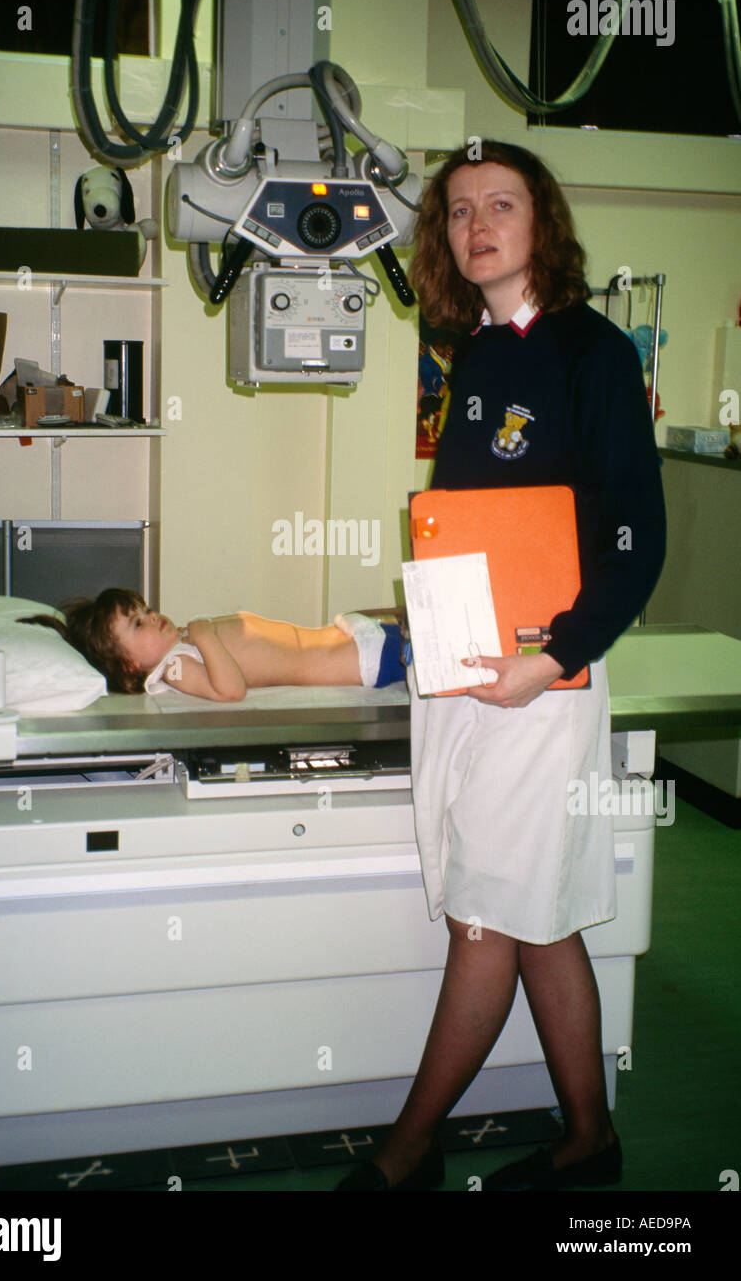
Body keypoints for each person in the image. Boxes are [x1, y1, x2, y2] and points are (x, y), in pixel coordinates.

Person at [335, 140, 666, 1192]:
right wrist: (425, 599)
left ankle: (408, 1150)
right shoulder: (470, 354)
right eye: (461, 210)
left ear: (542, 224)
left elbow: (635, 541)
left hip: (540, 680)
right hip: (470, 667)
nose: (478, 225)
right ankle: (589, 1142)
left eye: (502, 205)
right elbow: (481, 523)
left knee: (487, 909)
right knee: (539, 915)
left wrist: (554, 656)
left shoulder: (593, 354)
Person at [21, 589, 406, 699]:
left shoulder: (180, 646)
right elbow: (230, 690)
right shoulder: (172, 669)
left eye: (146, 609)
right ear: (128, 667)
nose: (152, 615)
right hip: (357, 660)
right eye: (138, 623)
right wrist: (205, 639)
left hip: (352, 638)